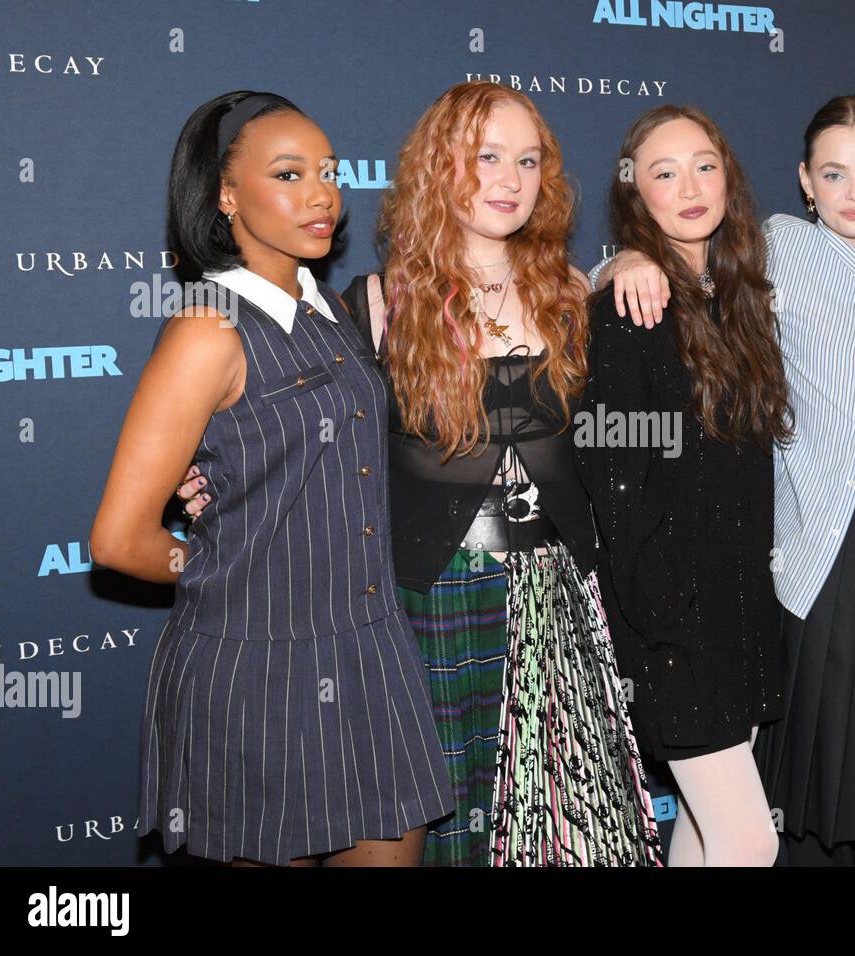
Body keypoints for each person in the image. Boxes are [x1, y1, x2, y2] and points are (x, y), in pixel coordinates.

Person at [182, 81, 662, 867]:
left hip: (560, 595)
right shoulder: (370, 304)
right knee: (434, 823)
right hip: (423, 603)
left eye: (527, 160)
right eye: (485, 158)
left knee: (558, 829)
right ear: (440, 168)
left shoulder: (578, 294)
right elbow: (296, 432)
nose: (509, 178)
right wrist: (207, 480)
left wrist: (638, 256)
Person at [590, 95, 855, 866]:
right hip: (820, 562)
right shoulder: (772, 252)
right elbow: (654, 277)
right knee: (804, 809)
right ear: (805, 182)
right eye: (833, 173)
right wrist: (625, 259)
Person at [90, 90, 454, 867]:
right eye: (289, 174)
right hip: (255, 672)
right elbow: (119, 539)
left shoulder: (330, 308)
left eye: (327, 171)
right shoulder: (207, 329)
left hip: (370, 652)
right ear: (226, 195)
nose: (322, 192)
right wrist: (219, 565)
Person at [576, 105, 790, 866]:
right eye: (663, 173)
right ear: (638, 197)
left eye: (704, 164)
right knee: (749, 839)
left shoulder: (736, 300)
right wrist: (665, 620)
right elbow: (615, 488)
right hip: (673, 624)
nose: (690, 186)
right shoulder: (627, 311)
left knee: (703, 833)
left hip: (740, 613)